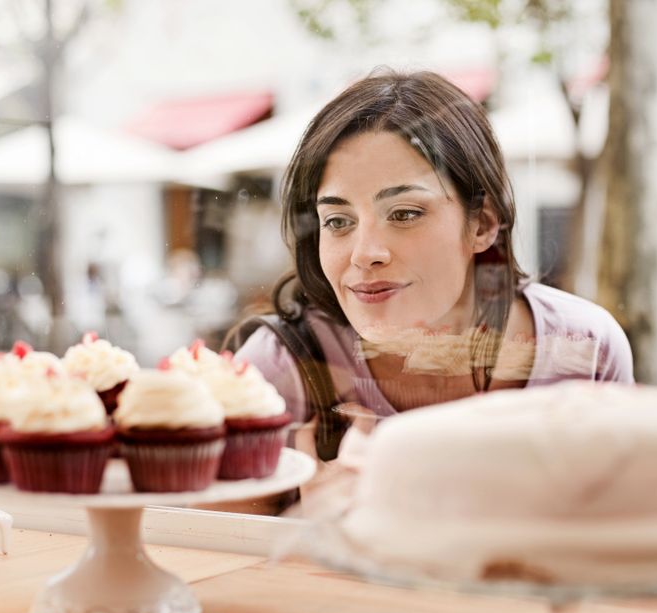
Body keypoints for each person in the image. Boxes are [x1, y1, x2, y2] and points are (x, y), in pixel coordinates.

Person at [229, 69, 633, 471]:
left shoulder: (586, 349)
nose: (364, 254)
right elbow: (201, 532)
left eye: (404, 214)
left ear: (483, 224)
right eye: (337, 221)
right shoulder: (281, 367)